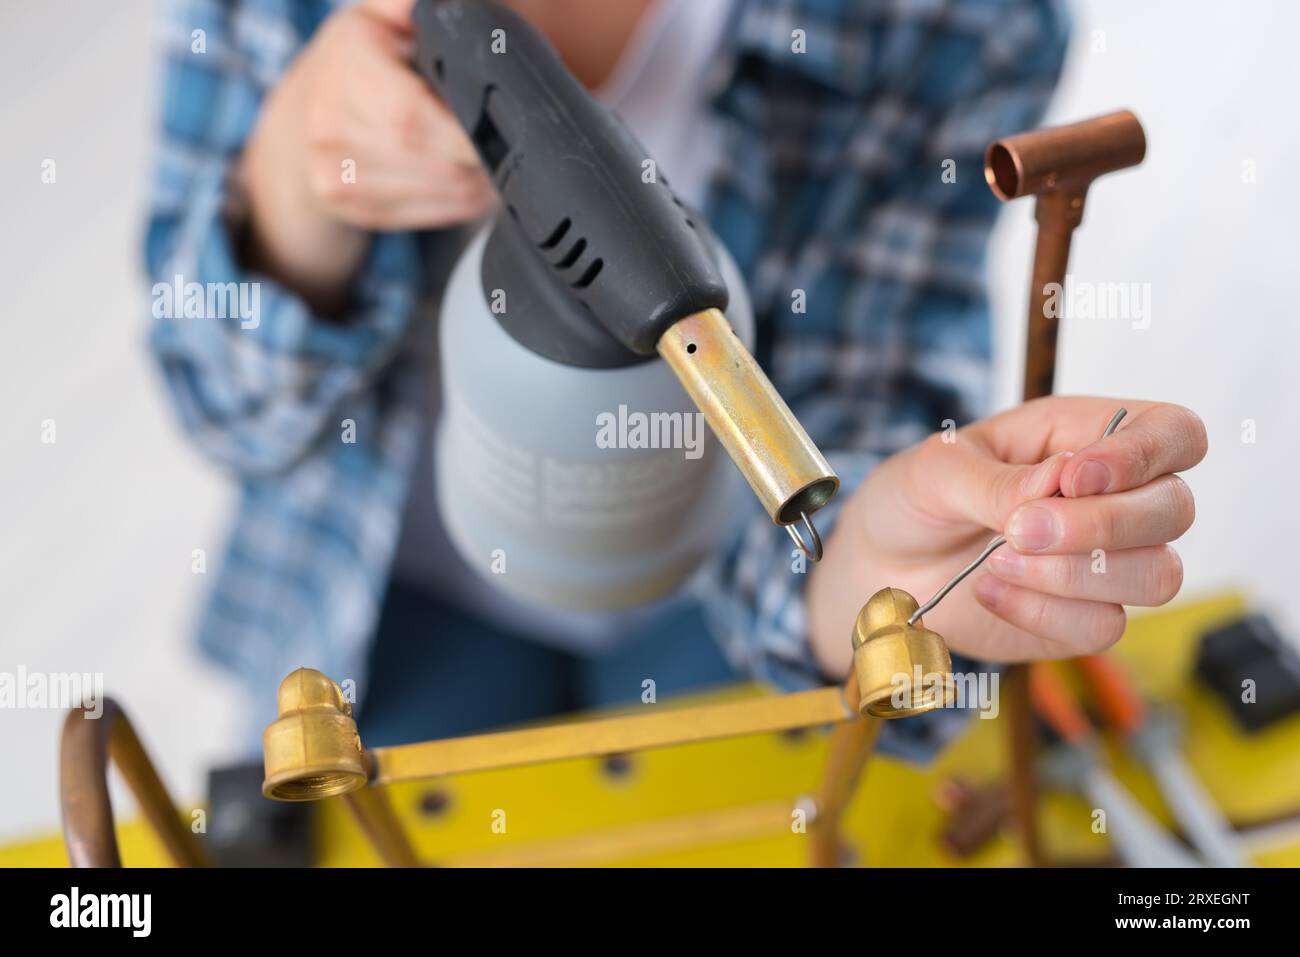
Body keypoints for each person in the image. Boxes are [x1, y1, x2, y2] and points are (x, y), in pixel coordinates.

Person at [145, 0, 1206, 757]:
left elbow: (860, 401)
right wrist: (293, 181)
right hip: (387, 590)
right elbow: (222, 409)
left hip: (726, 590)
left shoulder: (951, 19)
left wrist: (867, 579)